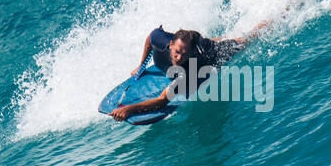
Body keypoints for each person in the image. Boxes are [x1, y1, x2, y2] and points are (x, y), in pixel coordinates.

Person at [109, 21, 271, 121]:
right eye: (177, 51)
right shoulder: (162, 39)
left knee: (245, 41)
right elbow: (151, 38)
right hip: (198, 48)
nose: (178, 57)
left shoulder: (188, 71)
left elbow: (162, 100)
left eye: (184, 54)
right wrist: (141, 66)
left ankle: (274, 19)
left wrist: (128, 109)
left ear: (190, 53)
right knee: (208, 44)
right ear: (171, 44)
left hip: (209, 57)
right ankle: (212, 41)